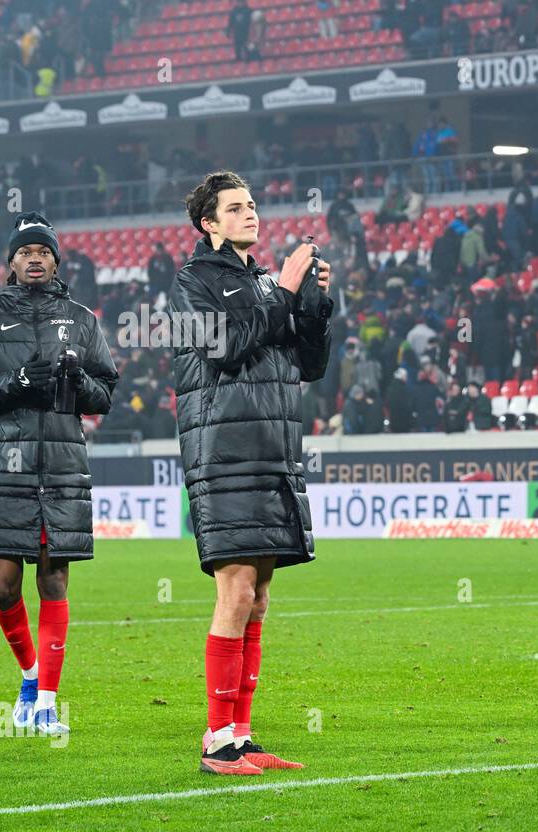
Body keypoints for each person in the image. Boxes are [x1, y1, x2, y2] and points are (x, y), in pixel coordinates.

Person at [167, 171, 334, 775]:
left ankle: (242, 733)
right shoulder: (190, 283)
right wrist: (284, 294)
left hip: (272, 446)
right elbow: (225, 347)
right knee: (235, 590)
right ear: (208, 223)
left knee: (259, 599)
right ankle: (216, 740)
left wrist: (313, 309)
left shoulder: (266, 282)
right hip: (222, 450)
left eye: (252, 205)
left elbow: (309, 366)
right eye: (235, 208)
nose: (250, 215)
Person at [0, 212, 119, 736]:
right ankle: (30, 678)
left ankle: (48, 702)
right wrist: (19, 379)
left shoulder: (81, 319)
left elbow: (104, 396)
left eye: (44, 251)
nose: (35, 258)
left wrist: (76, 381)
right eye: (25, 251)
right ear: (10, 262)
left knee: (53, 576)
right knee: (5, 586)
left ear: (56, 260)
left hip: (58, 464)